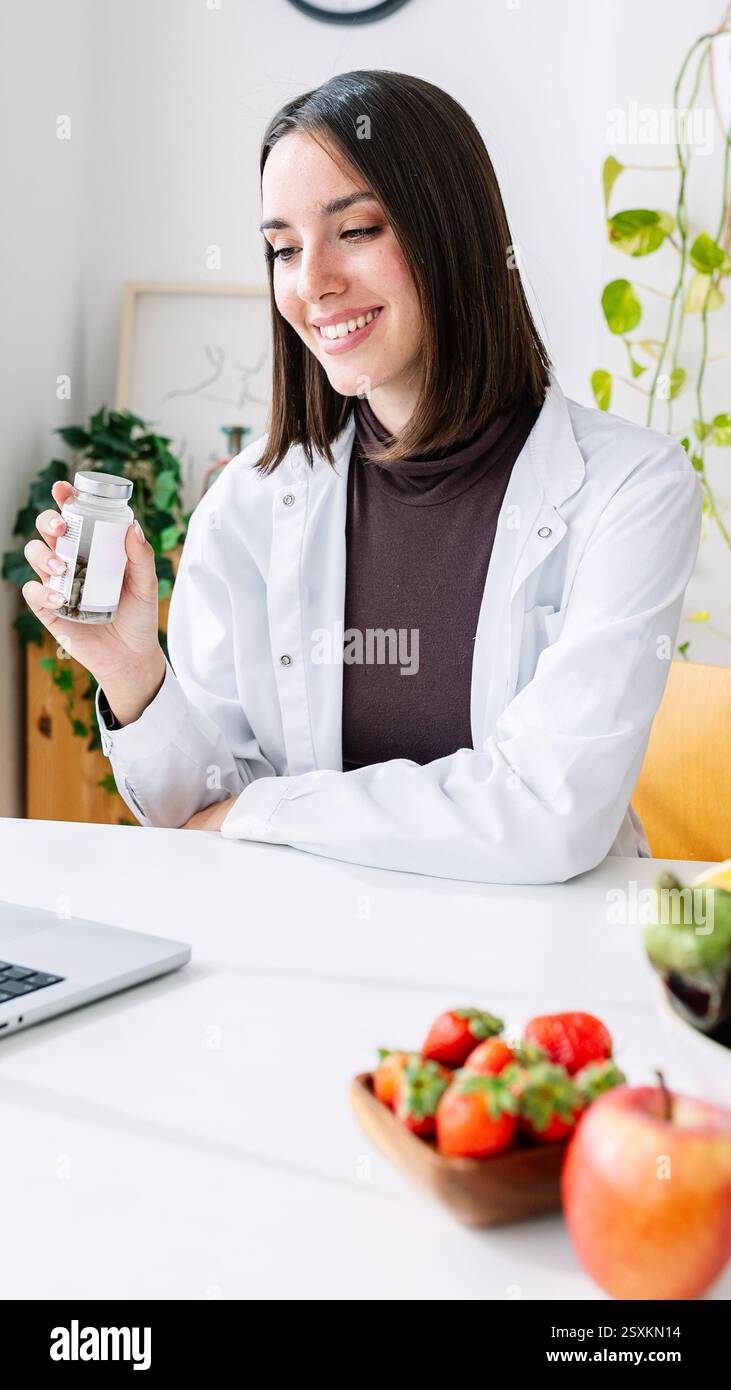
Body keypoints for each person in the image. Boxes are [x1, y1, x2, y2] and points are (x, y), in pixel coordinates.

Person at [22, 70, 702, 884]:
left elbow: (545, 816)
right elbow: (195, 816)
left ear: (453, 233)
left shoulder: (632, 487)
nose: (311, 282)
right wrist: (132, 672)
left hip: (544, 974)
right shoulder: (245, 503)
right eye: (282, 248)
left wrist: (262, 811)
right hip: (311, 957)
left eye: (356, 230)